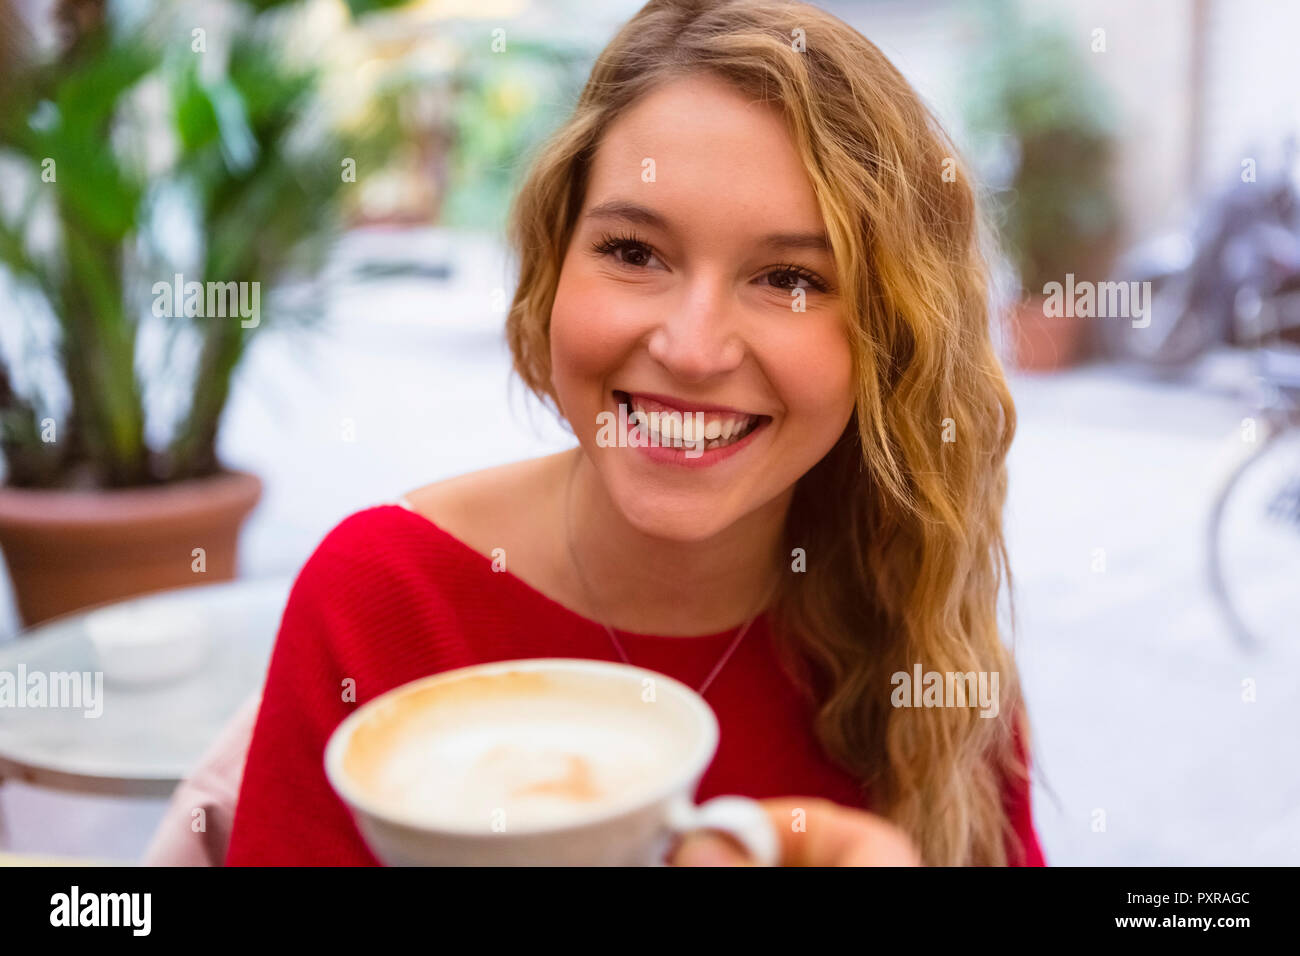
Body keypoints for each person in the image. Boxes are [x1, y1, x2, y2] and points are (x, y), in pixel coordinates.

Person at [226, 0, 1045, 866]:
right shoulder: (383, 601)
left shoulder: (922, 628)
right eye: (633, 252)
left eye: (788, 277)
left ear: (891, 334)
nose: (691, 351)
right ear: (554, 259)